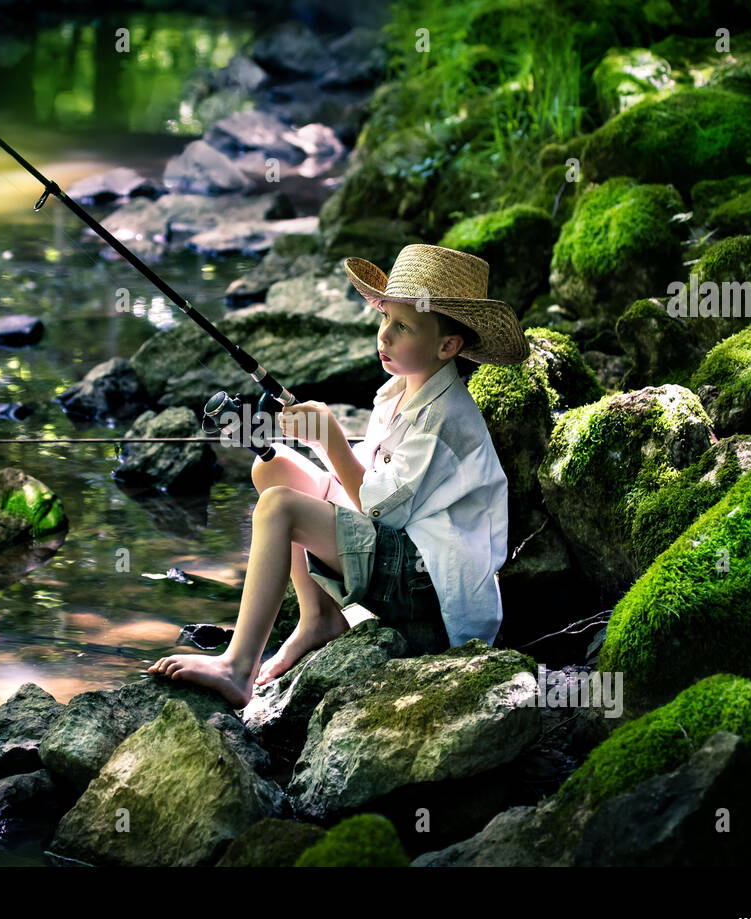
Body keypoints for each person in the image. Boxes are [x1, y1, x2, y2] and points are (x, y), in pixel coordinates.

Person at [148, 244, 529, 708]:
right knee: (274, 470)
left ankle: (237, 668)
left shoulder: (445, 422)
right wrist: (313, 439)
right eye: (385, 318)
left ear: (448, 346)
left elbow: (379, 510)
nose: (384, 336)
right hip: (400, 544)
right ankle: (318, 620)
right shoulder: (399, 391)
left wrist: (328, 439)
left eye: (403, 327)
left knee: (279, 507)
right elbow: (373, 478)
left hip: (426, 584)